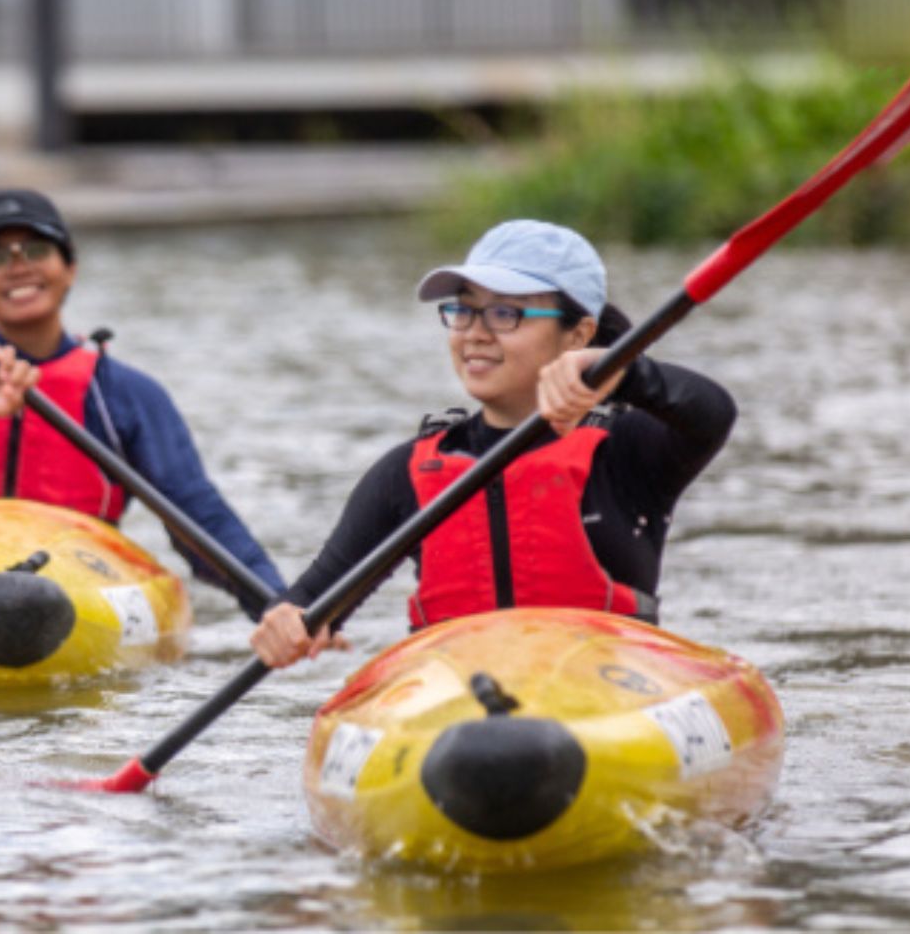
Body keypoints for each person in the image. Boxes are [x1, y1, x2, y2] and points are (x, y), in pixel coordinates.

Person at [250, 219, 736, 667]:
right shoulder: (407, 474)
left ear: (578, 335)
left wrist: (622, 371)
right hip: (460, 717)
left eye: (505, 313)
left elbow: (713, 413)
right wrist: (283, 621)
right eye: (463, 311)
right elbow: (309, 601)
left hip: (603, 695)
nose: (475, 334)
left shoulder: (627, 451)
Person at [0, 187, 285, 619]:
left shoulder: (125, 393)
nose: (18, 267)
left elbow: (197, 513)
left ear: (70, 267)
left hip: (76, 575)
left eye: (37, 249)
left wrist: (276, 604)